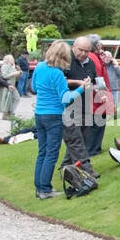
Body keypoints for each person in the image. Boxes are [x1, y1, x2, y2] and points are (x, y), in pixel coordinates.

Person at [32, 41, 89, 199]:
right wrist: (81, 88)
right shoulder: (57, 73)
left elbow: (34, 88)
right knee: (51, 153)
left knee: (42, 152)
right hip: (54, 115)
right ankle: (45, 189)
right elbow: (65, 98)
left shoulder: (40, 67)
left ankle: (39, 187)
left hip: (39, 114)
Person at [62, 37, 99, 166]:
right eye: (81, 50)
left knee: (81, 139)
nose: (83, 53)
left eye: (87, 51)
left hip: (85, 105)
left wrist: (98, 92)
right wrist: (78, 83)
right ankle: (87, 168)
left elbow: (93, 82)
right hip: (69, 105)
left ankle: (66, 166)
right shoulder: (66, 60)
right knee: (75, 140)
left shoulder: (90, 63)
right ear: (74, 47)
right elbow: (60, 81)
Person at [0, 54, 20, 121]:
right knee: (7, 100)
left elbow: (15, 78)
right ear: (8, 60)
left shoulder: (12, 67)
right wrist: (15, 73)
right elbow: (5, 76)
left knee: (16, 98)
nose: (13, 60)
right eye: (12, 59)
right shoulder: (4, 66)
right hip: (7, 85)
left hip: (12, 85)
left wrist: (19, 73)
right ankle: (5, 114)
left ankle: (10, 112)